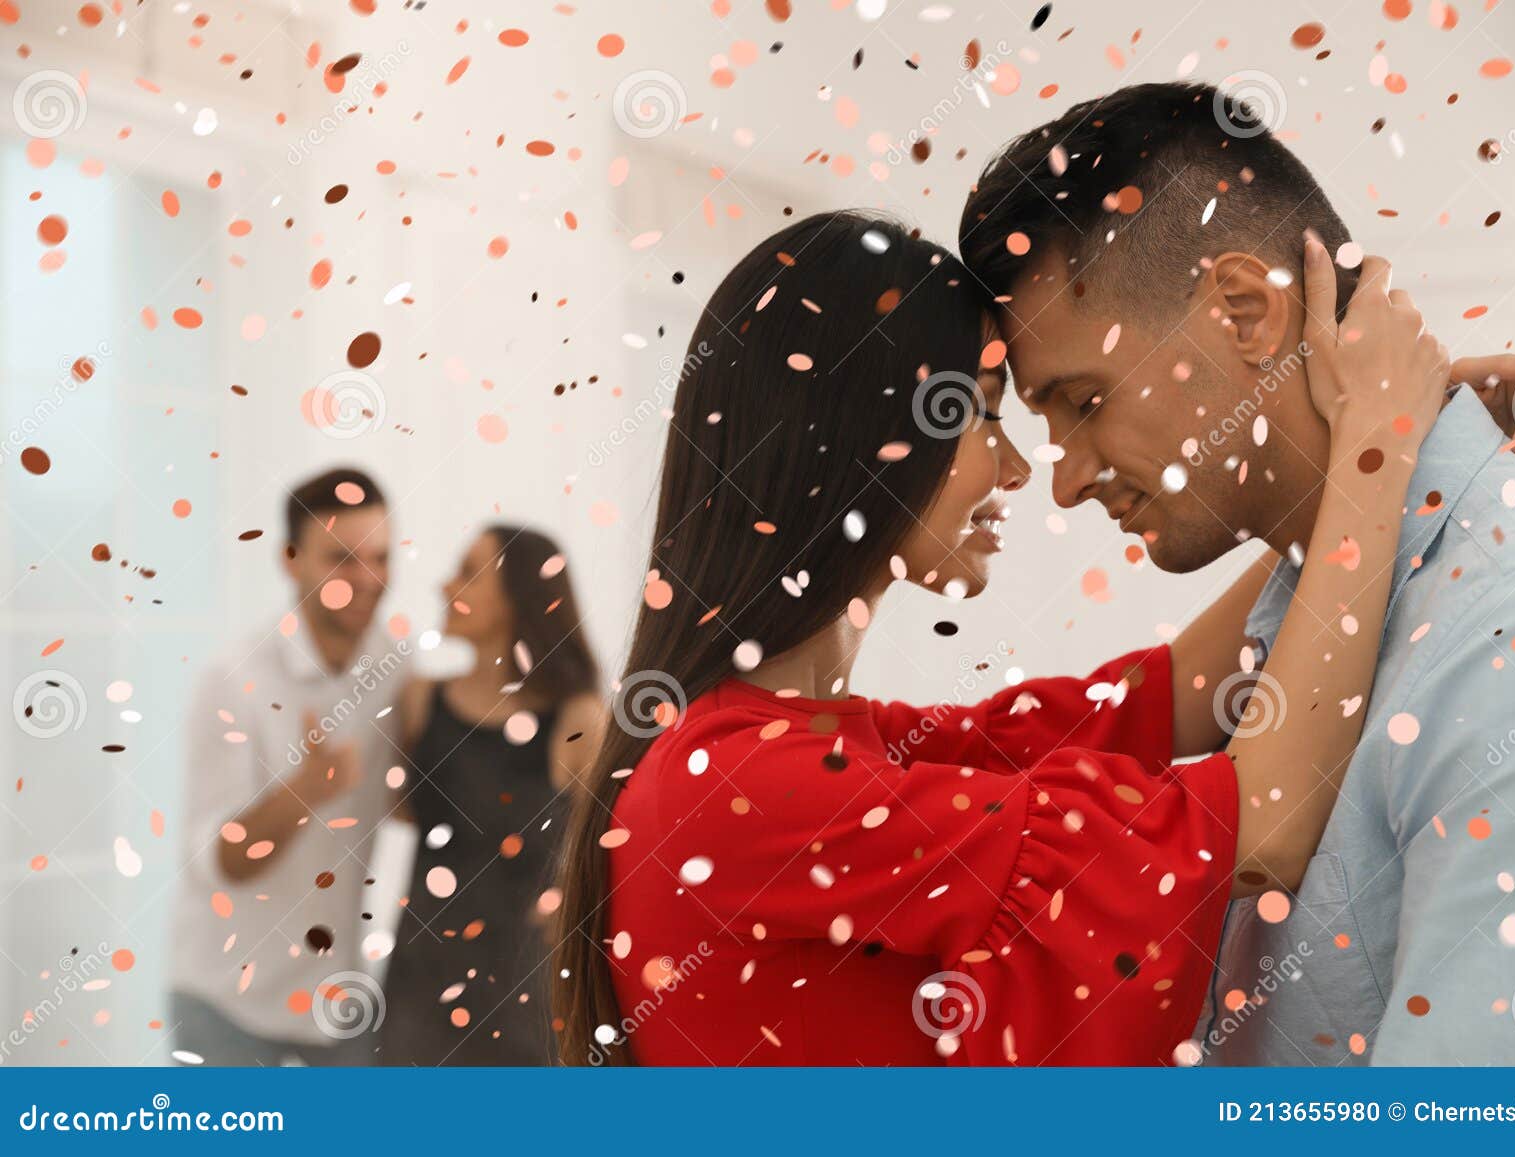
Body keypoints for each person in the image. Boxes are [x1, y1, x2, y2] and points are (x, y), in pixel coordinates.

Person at [552, 209, 1453, 1066]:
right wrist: (1380, 446)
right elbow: (1257, 831)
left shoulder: (790, 756)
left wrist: (1393, 441)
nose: (1024, 470)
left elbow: (1165, 700)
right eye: (980, 414)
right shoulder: (743, 787)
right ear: (853, 431)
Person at [960, 81, 1515, 1064]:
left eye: (1083, 402)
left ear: (1244, 312)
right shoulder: (1307, 631)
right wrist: (1393, 438)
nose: (1066, 483)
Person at [171, 467, 404, 1065]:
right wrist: (305, 793)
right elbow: (220, 863)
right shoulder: (234, 680)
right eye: (343, 560)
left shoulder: (399, 673)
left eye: (379, 557)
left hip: (341, 1003)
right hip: (228, 1009)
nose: (368, 579)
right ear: (290, 559)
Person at [380, 526, 603, 1066]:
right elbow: (399, 812)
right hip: (417, 988)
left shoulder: (578, 720)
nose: (445, 585)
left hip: (524, 1001)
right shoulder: (417, 701)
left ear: (518, 595)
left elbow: (610, 862)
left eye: (468, 571)